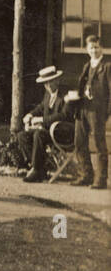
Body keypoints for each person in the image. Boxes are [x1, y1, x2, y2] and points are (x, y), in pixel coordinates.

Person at [22, 66, 71, 183]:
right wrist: (30, 114)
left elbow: (63, 116)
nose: (47, 86)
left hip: (63, 132)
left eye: (50, 82)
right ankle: (39, 169)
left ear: (57, 80)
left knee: (39, 134)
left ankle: (36, 170)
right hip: (49, 131)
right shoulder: (47, 95)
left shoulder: (65, 95)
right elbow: (41, 107)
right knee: (22, 136)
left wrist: (41, 120)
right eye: (45, 83)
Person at [74, 33, 110, 189]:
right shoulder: (86, 66)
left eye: (96, 47)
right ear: (87, 49)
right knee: (79, 141)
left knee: (99, 143)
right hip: (83, 109)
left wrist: (107, 113)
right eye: (91, 47)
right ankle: (85, 175)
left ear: (101, 47)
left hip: (97, 111)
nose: (94, 50)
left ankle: (100, 179)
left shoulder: (107, 67)